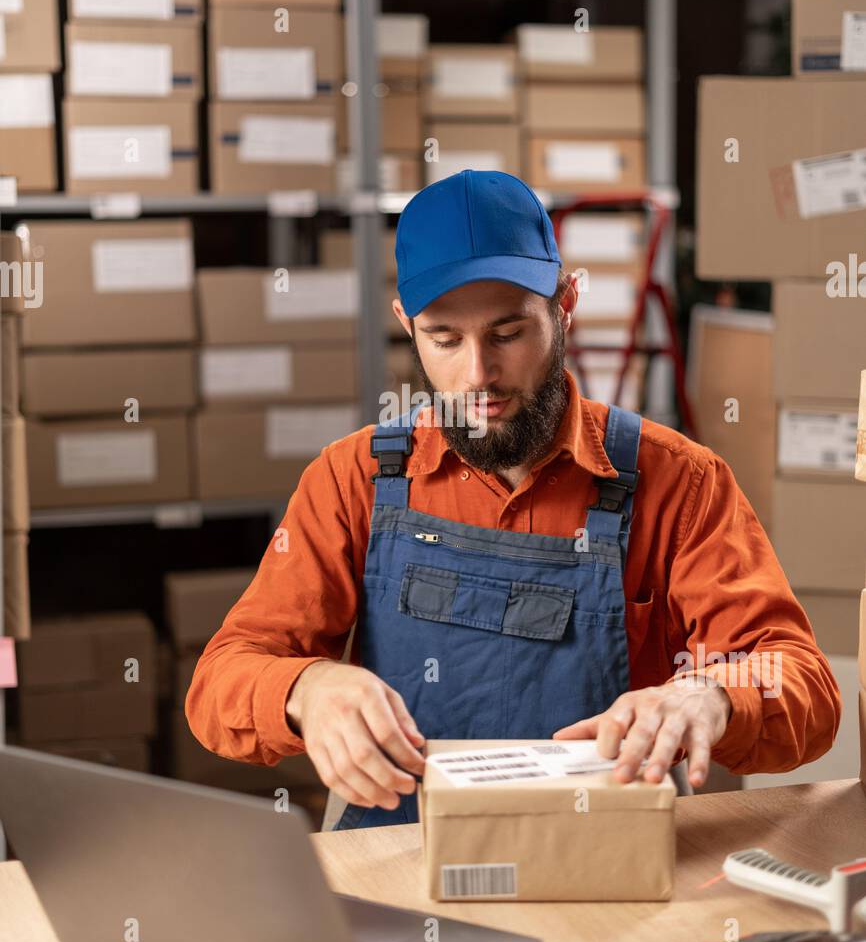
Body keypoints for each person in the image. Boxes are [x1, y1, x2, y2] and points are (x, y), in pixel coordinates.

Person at [185, 170, 841, 830]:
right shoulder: (353, 478)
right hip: (399, 865)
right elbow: (219, 685)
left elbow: (805, 689)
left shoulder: (679, 482)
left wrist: (712, 696)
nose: (478, 375)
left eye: (507, 334)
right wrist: (307, 687)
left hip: (603, 866)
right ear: (406, 324)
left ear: (565, 302)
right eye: (444, 339)